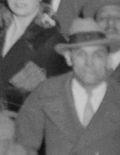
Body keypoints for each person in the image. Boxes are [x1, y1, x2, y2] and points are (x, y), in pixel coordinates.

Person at [14, 19, 120, 155]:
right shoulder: (46, 92)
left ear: (108, 60)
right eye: (81, 54)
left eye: (98, 55)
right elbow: (22, 144)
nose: (89, 63)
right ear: (69, 58)